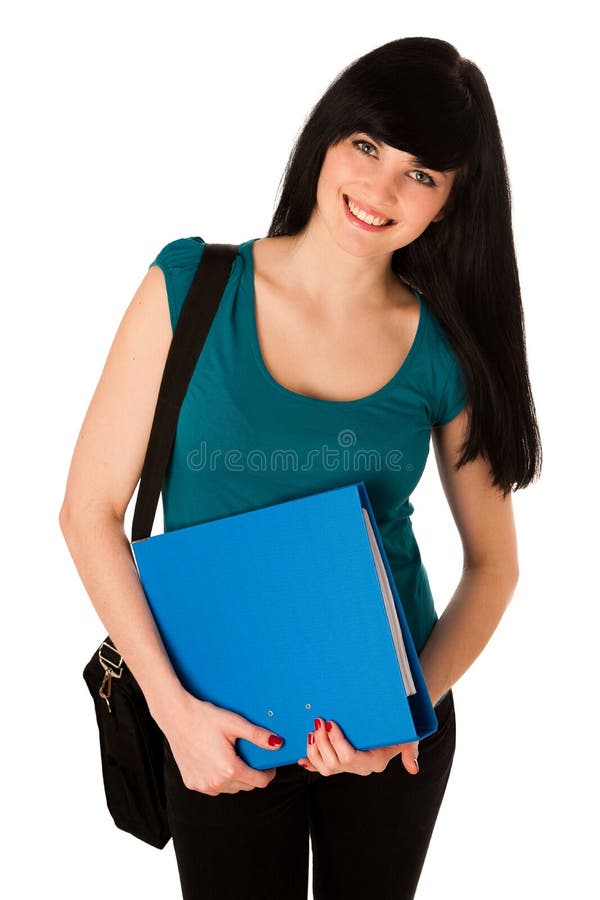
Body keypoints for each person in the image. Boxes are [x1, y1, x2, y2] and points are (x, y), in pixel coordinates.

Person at [59, 35, 541, 900]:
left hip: (385, 729)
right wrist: (174, 714)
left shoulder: (445, 350)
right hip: (210, 714)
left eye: (421, 175)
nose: (381, 190)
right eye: (367, 146)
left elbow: (495, 565)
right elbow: (88, 512)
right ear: (328, 137)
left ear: (450, 204)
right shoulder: (191, 286)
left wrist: (408, 715)